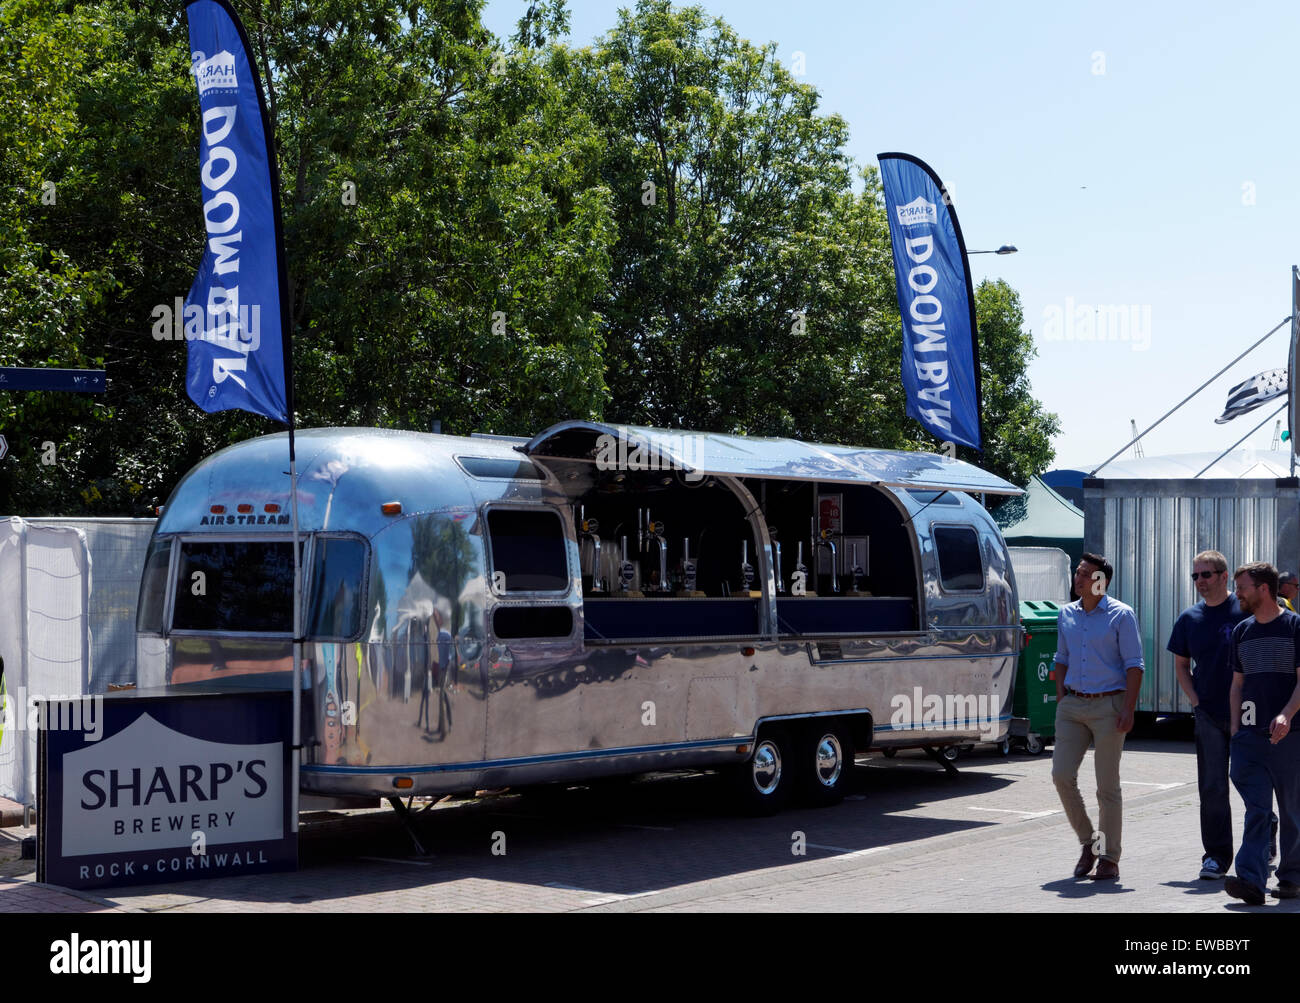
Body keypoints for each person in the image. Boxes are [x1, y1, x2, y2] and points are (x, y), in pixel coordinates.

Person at [1052, 552, 1144, 880]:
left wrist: (1128, 709)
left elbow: (1135, 665)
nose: (1078, 579)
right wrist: (1062, 697)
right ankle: (1088, 842)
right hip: (1073, 706)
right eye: (1077, 573)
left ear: (1101, 581)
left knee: (1107, 788)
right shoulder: (1066, 614)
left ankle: (1109, 857)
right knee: (1061, 776)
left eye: (1086, 574)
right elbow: (1060, 657)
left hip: (1110, 707)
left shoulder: (1121, 615)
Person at [1169, 550, 1248, 880]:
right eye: (1195, 576)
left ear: (1224, 575)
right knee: (1213, 787)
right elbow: (1181, 665)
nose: (1200, 581)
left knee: (1253, 783)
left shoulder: (1244, 610)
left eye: (1206, 575)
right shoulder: (1190, 619)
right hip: (1210, 715)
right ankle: (1216, 856)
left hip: (1248, 713)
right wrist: (1196, 701)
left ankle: (1265, 831)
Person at [1224, 562, 1300, 905]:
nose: (1237, 593)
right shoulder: (1241, 631)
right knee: (1257, 808)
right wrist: (1236, 730)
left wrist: (1287, 714)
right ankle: (1252, 880)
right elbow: (1237, 685)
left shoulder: (1295, 627)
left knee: (1291, 809)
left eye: (1242, 587)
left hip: (1291, 735)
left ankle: (1291, 878)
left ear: (1263, 589)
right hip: (1250, 739)